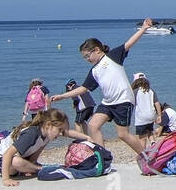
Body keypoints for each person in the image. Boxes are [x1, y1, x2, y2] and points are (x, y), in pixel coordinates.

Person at [48, 19, 153, 156]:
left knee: (122, 134)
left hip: (123, 100)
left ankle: (146, 155)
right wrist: (62, 96)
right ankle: (103, 156)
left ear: (97, 50)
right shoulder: (94, 71)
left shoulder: (112, 57)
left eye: (87, 56)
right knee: (93, 125)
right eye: (84, 58)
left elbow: (129, 43)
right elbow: (84, 88)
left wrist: (144, 28)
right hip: (107, 102)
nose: (87, 59)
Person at [0, 108, 92, 187]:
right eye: (59, 130)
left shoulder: (47, 133)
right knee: (16, 162)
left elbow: (68, 133)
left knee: (41, 144)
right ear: (48, 125)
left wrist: (86, 137)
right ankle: (39, 169)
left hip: (22, 158)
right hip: (3, 162)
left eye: (61, 131)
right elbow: (7, 154)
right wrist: (6, 179)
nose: (60, 134)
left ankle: (31, 167)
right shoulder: (32, 133)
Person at [131, 72, 163, 147]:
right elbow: (157, 103)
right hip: (151, 116)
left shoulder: (135, 92)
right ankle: (152, 142)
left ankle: (143, 154)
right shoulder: (151, 91)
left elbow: (131, 103)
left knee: (142, 138)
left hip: (141, 118)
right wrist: (159, 115)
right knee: (149, 130)